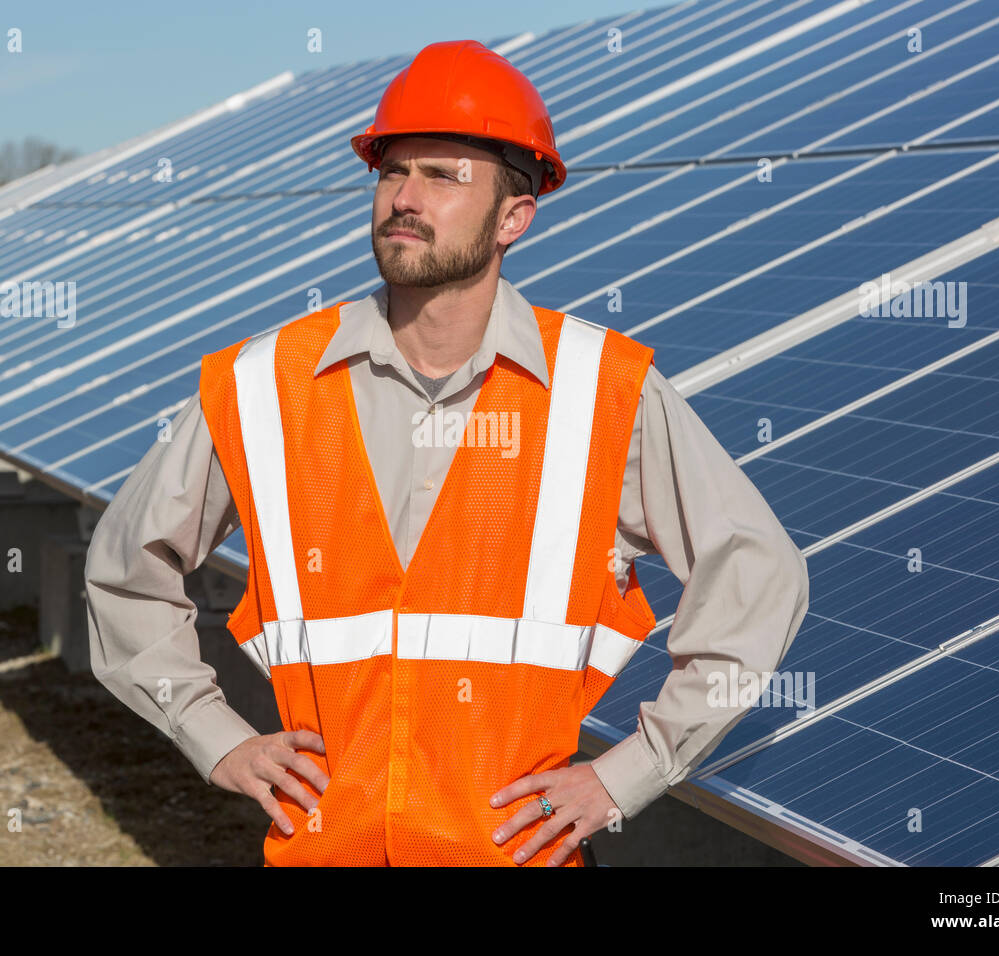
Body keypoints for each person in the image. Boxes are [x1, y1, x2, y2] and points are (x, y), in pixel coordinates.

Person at [85, 39, 809, 867]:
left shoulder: (602, 392)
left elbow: (760, 574)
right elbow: (124, 564)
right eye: (393, 170)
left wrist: (627, 775)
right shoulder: (265, 384)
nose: (405, 197)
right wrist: (213, 735)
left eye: (444, 175)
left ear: (514, 217)